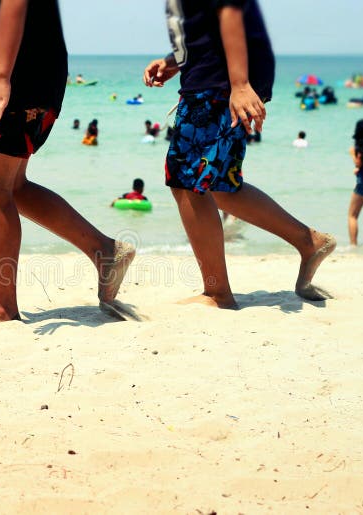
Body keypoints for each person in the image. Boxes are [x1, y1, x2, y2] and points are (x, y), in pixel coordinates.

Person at [0, 0, 135, 329]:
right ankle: (105, 252)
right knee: (13, 186)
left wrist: (1, 76)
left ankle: (0, 306)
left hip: (17, 69)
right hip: (36, 67)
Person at [143, 0, 335, 308]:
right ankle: (308, 242)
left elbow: (229, 7)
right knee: (219, 183)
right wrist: (175, 60)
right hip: (215, 75)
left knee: (185, 180)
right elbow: (204, 21)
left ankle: (216, 292)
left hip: (218, 81)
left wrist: (240, 84)